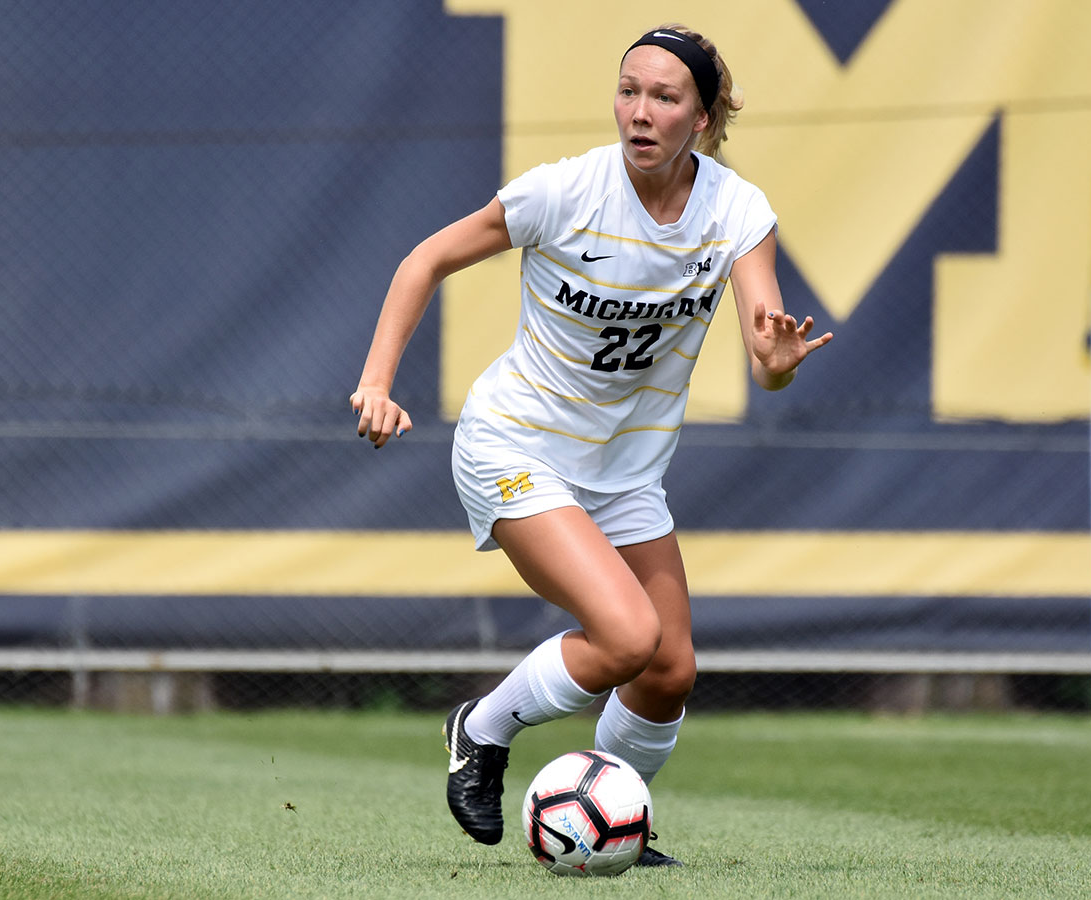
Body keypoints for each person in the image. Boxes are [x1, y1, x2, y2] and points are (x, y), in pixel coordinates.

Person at [350, 23, 832, 867]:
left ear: (707, 119)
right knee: (624, 637)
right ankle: (481, 728)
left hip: (624, 476)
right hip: (515, 447)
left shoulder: (738, 212)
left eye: (665, 97)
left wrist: (779, 362)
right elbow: (423, 261)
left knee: (668, 669)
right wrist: (378, 383)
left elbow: (767, 360)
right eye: (629, 91)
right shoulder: (564, 193)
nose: (640, 113)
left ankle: (615, 820)